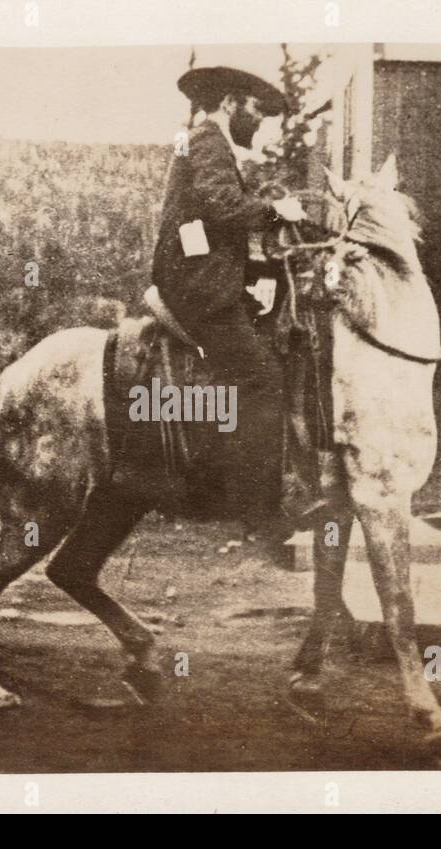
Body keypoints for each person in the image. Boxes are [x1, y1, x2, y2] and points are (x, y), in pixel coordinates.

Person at [151, 65, 315, 530]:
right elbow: (222, 207)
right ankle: (258, 504)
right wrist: (276, 209)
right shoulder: (206, 139)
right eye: (257, 111)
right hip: (197, 286)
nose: (260, 121)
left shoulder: (201, 140)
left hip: (202, 276)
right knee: (262, 379)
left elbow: (212, 225)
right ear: (229, 103)